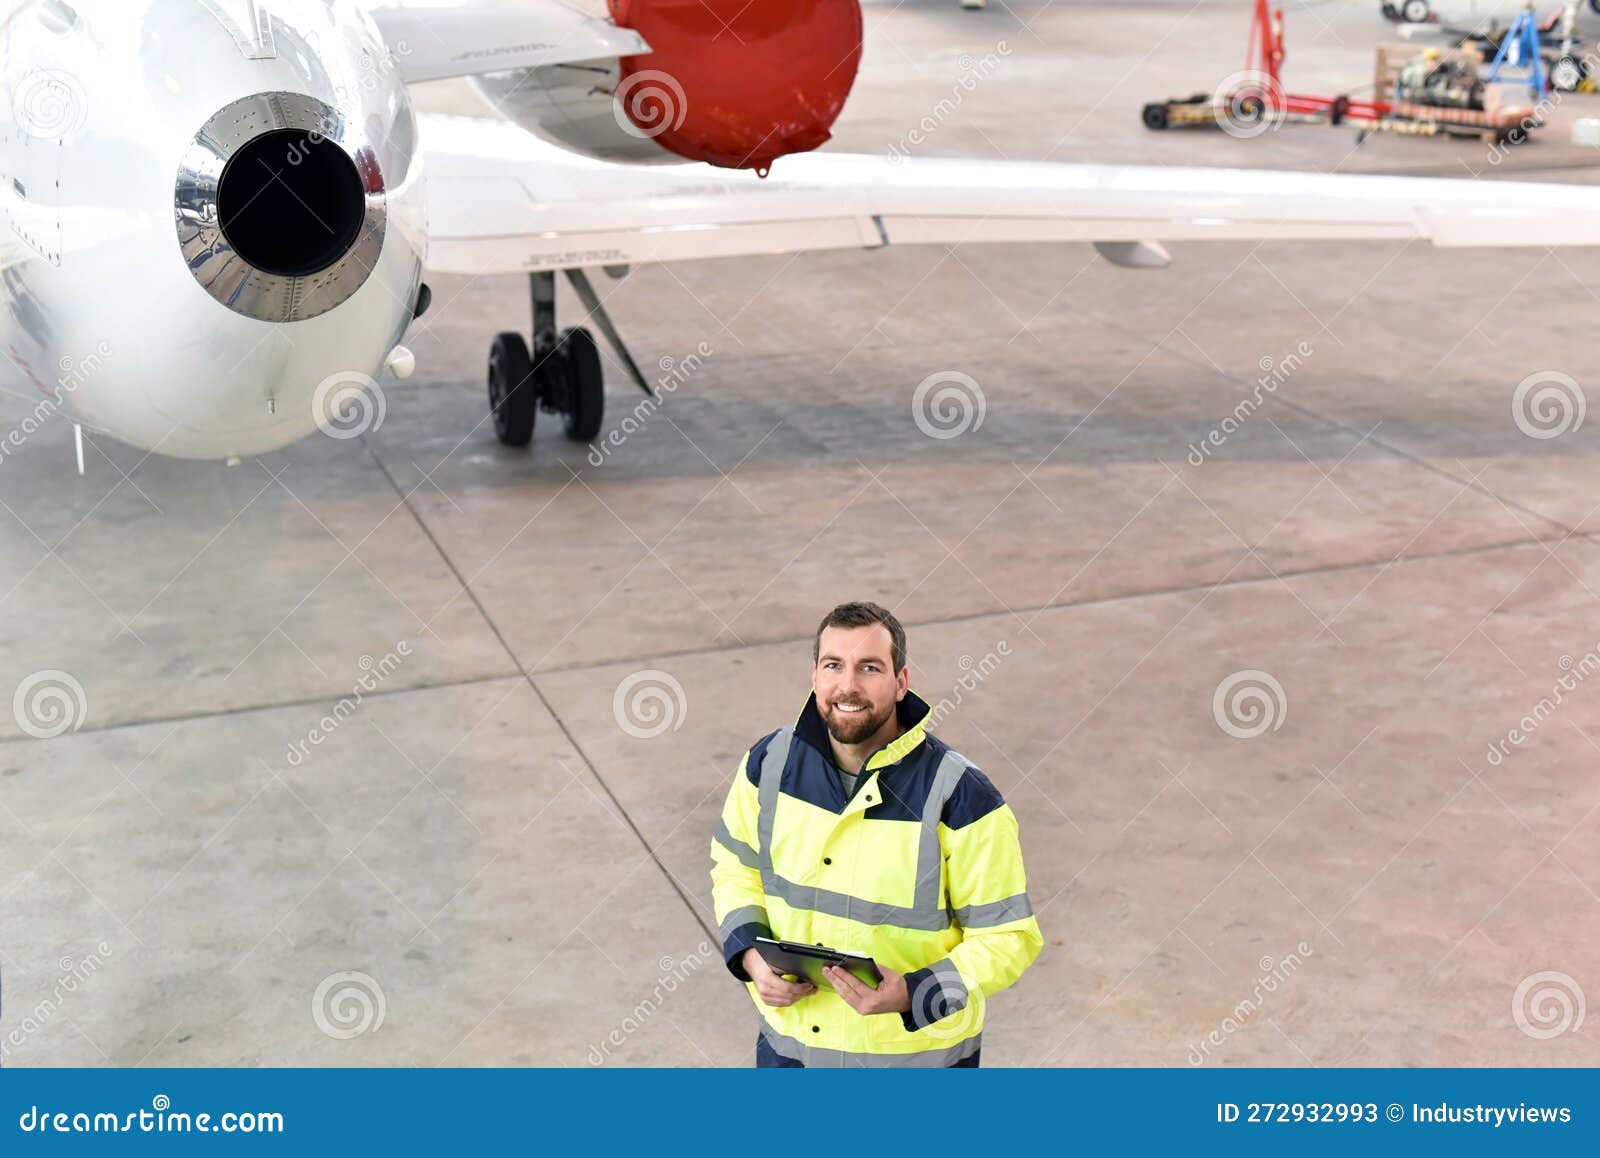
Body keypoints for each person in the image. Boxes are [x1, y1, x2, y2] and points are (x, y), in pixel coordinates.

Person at [709, 600, 1043, 1067]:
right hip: (792, 1056)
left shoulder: (960, 797)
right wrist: (748, 955)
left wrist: (914, 992)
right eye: (834, 665)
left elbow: (1009, 937)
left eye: (869, 667)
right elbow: (734, 867)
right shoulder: (769, 764)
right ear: (815, 676)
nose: (848, 686)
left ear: (901, 682)